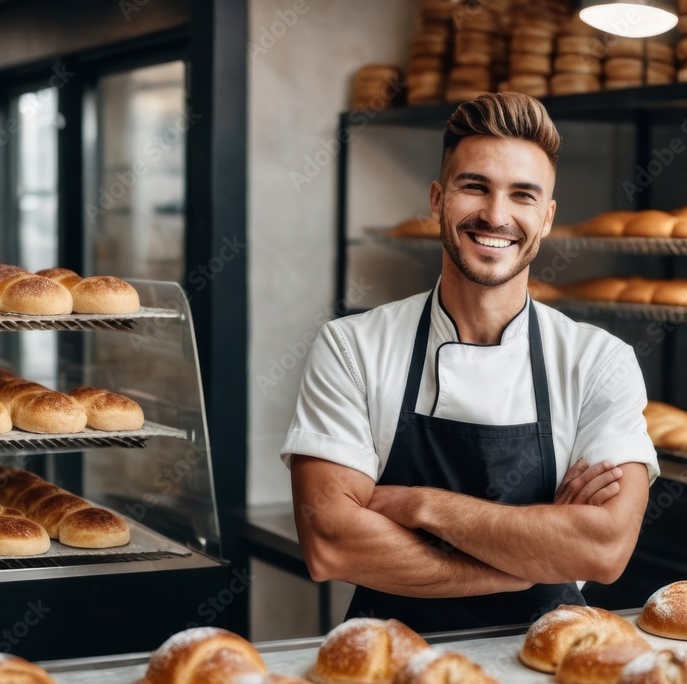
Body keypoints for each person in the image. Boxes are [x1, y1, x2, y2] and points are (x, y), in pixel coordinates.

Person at [281, 92, 659, 633]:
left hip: (551, 663)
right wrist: (534, 557)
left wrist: (420, 505)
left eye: (522, 196)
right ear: (437, 200)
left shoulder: (600, 362)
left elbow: (603, 549)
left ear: (547, 218)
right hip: (386, 661)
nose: (496, 215)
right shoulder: (352, 348)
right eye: (474, 186)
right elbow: (331, 543)